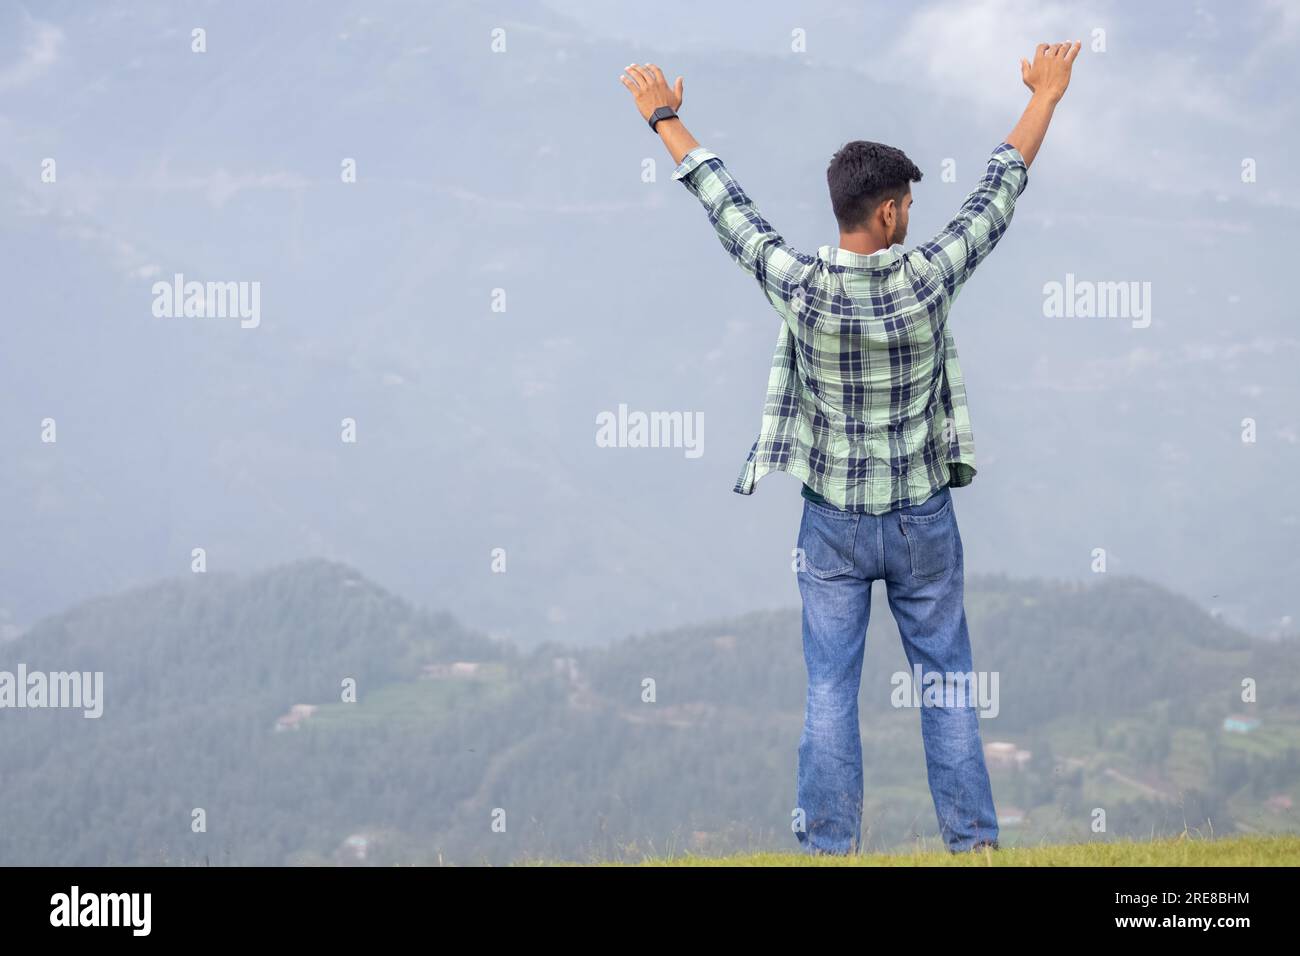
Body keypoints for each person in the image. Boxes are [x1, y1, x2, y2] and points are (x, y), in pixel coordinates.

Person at [619, 42, 1082, 854]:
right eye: (907, 202)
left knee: (830, 691)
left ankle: (830, 848)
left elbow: (725, 204)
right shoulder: (930, 276)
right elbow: (998, 191)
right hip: (922, 524)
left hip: (830, 526)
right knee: (944, 683)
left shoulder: (796, 283)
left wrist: (665, 115)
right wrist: (1045, 95)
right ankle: (972, 844)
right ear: (892, 213)